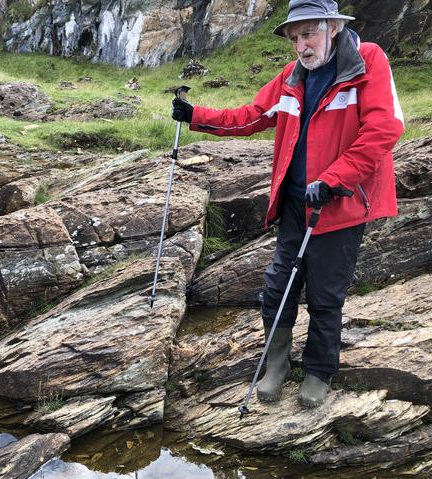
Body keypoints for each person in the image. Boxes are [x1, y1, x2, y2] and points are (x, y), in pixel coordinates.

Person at [172, 0, 404, 407]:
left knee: (326, 295)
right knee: (277, 287)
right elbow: (251, 115)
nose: (300, 45)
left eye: (308, 33)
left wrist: (334, 179)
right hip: (297, 204)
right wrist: (196, 116)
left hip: (341, 204)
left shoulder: (368, 61)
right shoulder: (292, 76)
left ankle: (318, 371)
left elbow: (385, 128)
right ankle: (276, 364)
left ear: (332, 27)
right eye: (294, 37)